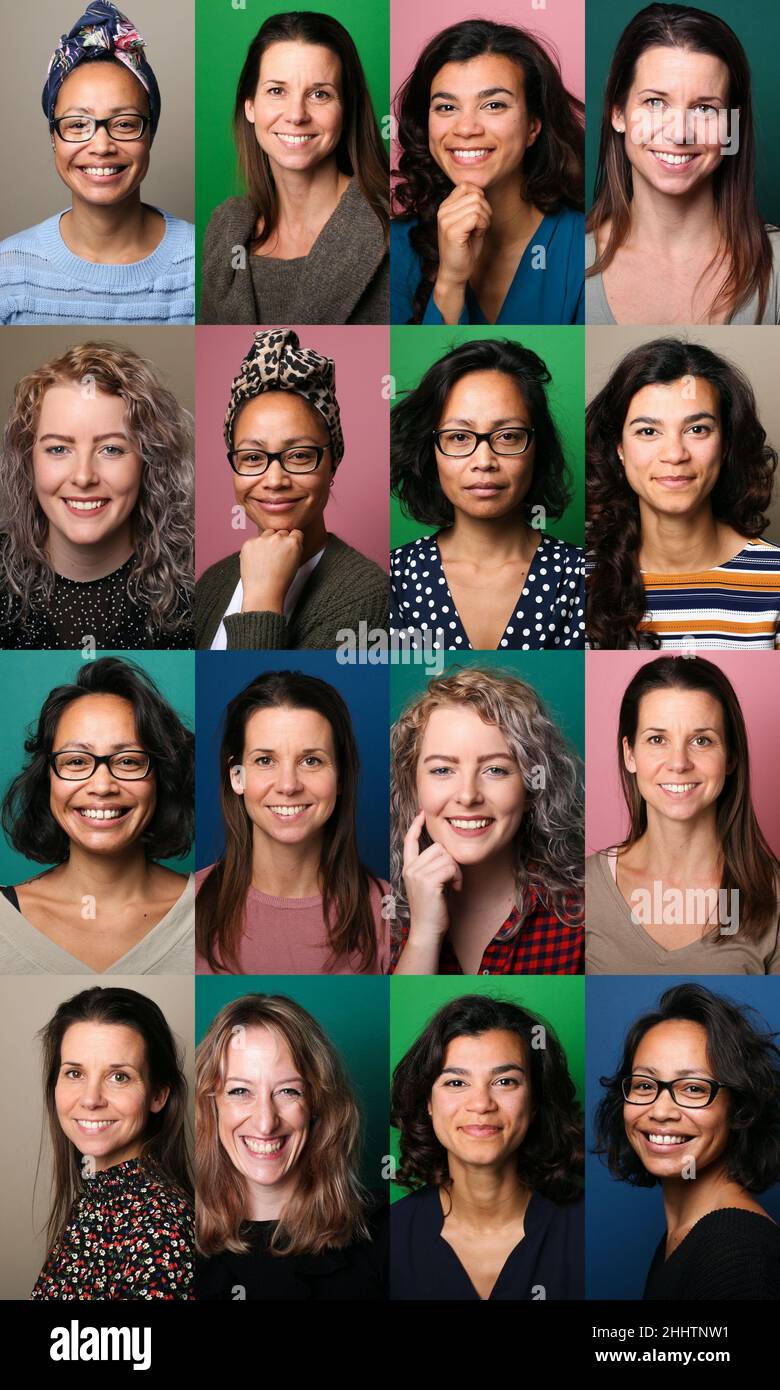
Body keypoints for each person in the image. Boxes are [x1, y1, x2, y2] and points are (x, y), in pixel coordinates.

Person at [0, 1, 194, 325]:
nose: (101, 146)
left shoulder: (200, 263)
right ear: (53, 137)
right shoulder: (9, 270)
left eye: (124, 124)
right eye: (77, 124)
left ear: (150, 134)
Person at [194, 328, 388, 650]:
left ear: (332, 464)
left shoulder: (368, 595)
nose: (274, 480)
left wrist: (262, 599)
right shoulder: (214, 581)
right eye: (253, 457)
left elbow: (265, 691)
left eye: (298, 456)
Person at [586, 4, 780, 325]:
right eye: (655, 102)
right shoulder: (567, 263)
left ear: (732, 123)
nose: (679, 133)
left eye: (705, 108)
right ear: (617, 113)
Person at [586, 656, 780, 974]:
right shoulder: (582, 888)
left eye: (701, 740)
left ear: (730, 757)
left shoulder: (774, 896)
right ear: (629, 753)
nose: (679, 763)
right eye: (657, 739)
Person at [0, 656, 194, 974]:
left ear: (160, 778)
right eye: (76, 761)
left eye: (128, 761)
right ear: (47, 778)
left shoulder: (217, 908)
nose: (102, 786)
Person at [390, 337, 584, 651]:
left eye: (507, 436)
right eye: (458, 437)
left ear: (537, 447)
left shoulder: (581, 575)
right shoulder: (393, 576)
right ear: (430, 450)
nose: (484, 462)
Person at [586, 337, 780, 649]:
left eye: (697, 429)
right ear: (619, 448)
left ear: (726, 443)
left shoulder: (775, 580)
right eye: (648, 431)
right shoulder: (576, 579)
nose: (675, 454)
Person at [0, 340, 194, 650]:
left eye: (111, 449)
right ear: (29, 460)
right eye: (58, 449)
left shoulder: (197, 586)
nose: (83, 476)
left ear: (148, 463)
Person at [390, 666, 583, 975]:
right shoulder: (380, 914)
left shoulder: (583, 918)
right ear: (414, 787)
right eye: (442, 770)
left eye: (496, 770)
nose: (468, 796)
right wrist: (423, 935)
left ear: (531, 788)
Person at [391, 19, 584, 325]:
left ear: (533, 126)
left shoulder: (585, 244)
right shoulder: (394, 248)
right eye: (446, 107)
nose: (466, 128)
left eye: (494, 105)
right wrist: (450, 281)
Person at [391, 994, 583, 1300]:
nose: (481, 1104)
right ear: (428, 1101)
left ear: (534, 1102)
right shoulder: (388, 1235)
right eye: (456, 1083)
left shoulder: (585, 1232)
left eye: (505, 1081)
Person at [594, 983, 780, 1299]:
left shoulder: (735, 1253)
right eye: (643, 1084)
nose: (661, 1110)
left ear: (739, 1108)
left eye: (693, 1088)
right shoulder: (687, 1234)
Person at [195, 993, 388, 1299]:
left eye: (287, 1091)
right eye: (240, 1090)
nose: (264, 1123)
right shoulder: (170, 1243)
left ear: (316, 1104)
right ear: (212, 1106)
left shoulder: (390, 1232)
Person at [200, 11, 388, 325]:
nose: (296, 114)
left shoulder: (388, 227)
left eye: (319, 94)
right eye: (277, 91)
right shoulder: (225, 230)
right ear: (250, 106)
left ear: (347, 109)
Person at [196, 671, 389, 975]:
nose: (288, 785)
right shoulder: (182, 908)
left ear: (340, 776)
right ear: (237, 776)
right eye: (265, 761)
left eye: (311, 761)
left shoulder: (391, 912)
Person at [31, 985, 194, 1300]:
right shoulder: (96, 1198)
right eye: (75, 1073)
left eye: (119, 1076)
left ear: (158, 1094)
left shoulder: (161, 1231)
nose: (90, 1100)